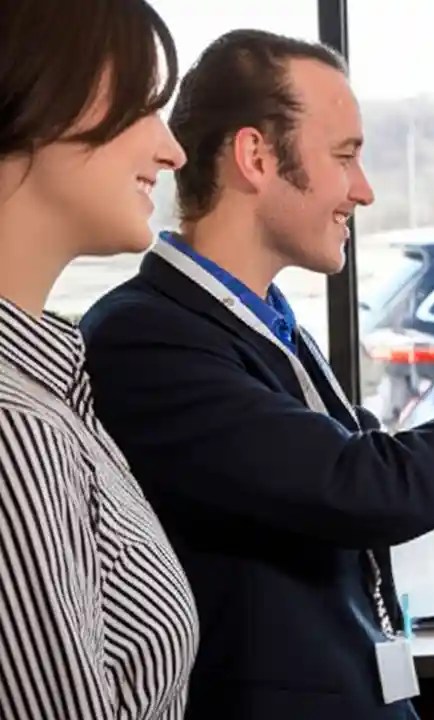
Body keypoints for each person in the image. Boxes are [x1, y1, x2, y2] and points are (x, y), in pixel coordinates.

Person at [78, 29, 434, 720]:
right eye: (345, 157)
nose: (363, 190)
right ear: (255, 156)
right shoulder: (146, 338)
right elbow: (363, 486)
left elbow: (372, 470)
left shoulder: (266, 322)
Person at [0, 1, 197, 719]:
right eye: (146, 105)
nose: (172, 150)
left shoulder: (46, 389)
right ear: (40, 96)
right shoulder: (17, 430)